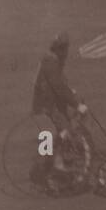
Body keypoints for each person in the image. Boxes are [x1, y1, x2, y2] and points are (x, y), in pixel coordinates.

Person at [30, 32, 89, 195]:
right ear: (61, 49)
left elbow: (62, 84)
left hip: (50, 106)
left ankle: (52, 172)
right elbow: (59, 88)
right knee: (61, 135)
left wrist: (73, 94)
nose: (67, 53)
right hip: (47, 108)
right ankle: (55, 173)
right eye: (66, 49)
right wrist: (77, 104)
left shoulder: (52, 60)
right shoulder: (51, 62)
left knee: (58, 137)